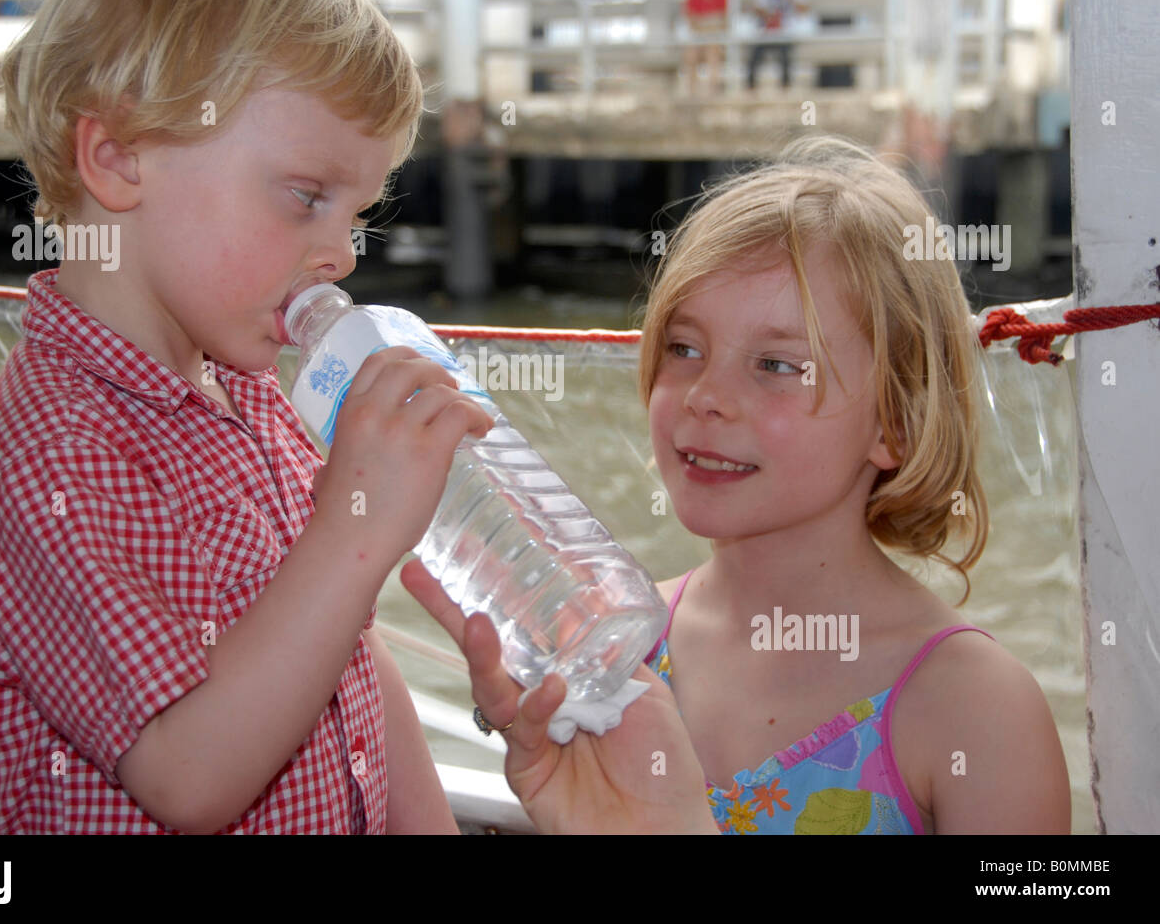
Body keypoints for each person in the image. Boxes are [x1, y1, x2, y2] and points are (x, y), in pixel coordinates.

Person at [0, 0, 491, 834]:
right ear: (118, 158)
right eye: (308, 197)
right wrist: (357, 534)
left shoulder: (249, 390)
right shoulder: (48, 458)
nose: (341, 252)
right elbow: (187, 773)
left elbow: (341, 648)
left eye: (357, 212)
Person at [404, 136, 1071, 834]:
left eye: (777, 365)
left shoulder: (974, 711)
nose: (706, 395)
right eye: (685, 348)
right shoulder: (614, 656)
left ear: (896, 424)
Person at [743, 0, 807, 90]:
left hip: (786, 32)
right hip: (767, 32)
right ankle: (751, 88)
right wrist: (767, 14)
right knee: (755, 54)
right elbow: (756, 8)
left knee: (785, 55)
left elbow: (803, 9)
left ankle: (785, 86)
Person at [681, 0, 729, 97]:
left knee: (713, 52)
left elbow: (724, 20)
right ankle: (692, 92)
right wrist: (711, 21)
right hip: (698, 37)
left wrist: (705, 22)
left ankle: (713, 92)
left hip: (714, 38)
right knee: (690, 55)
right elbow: (692, 21)